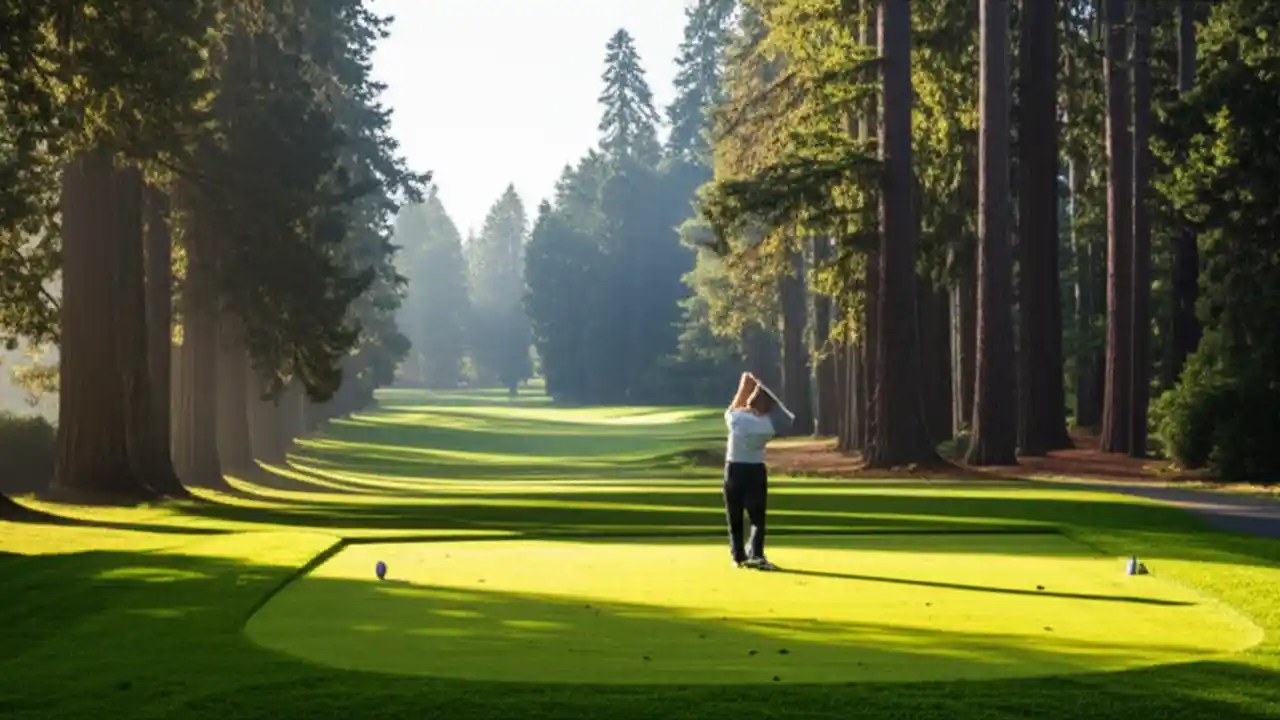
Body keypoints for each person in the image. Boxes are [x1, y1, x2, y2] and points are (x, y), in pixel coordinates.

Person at [723, 371, 794, 570]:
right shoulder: (767, 426)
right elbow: (784, 417)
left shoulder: (737, 420)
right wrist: (769, 393)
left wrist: (746, 384)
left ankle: (738, 556)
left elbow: (735, 405)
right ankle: (757, 553)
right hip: (755, 470)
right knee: (757, 515)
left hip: (734, 469)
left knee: (734, 514)